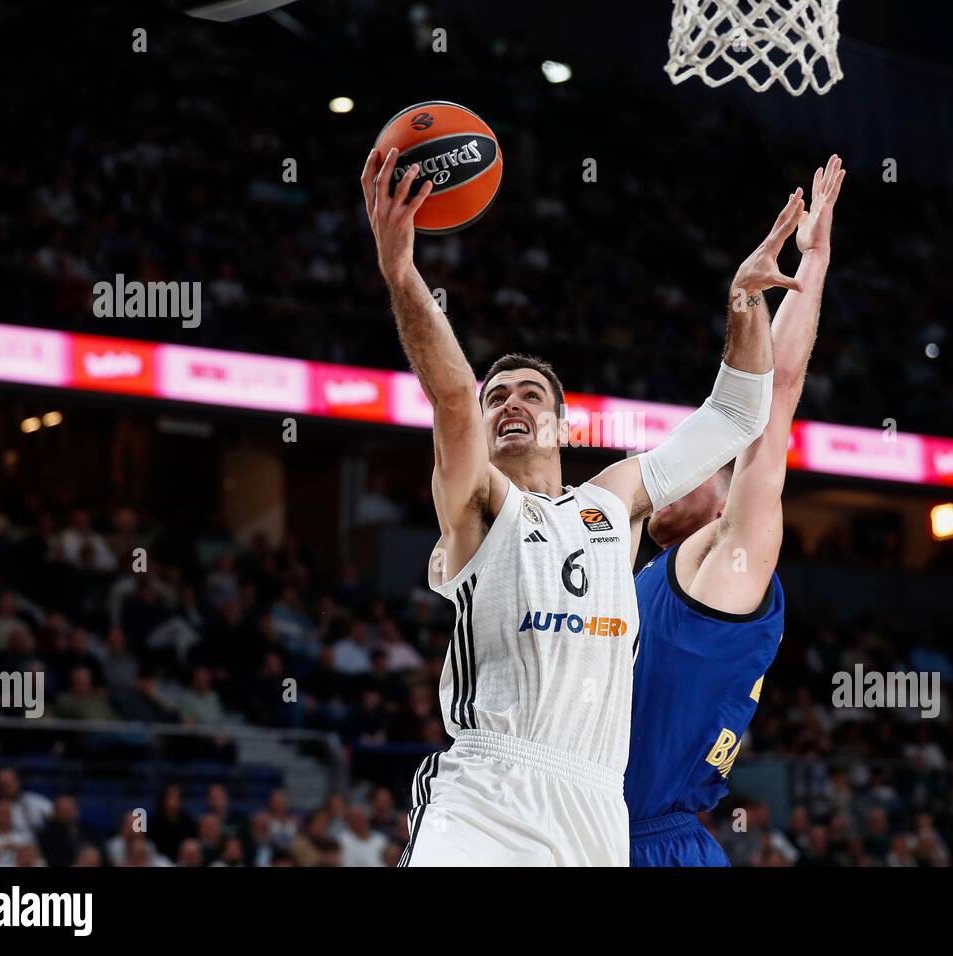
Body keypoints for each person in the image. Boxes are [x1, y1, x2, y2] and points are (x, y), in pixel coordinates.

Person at [360, 146, 805, 866]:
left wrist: (744, 302)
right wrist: (402, 272)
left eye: (530, 393)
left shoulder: (616, 499)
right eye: (497, 396)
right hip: (489, 787)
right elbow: (450, 398)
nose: (510, 404)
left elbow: (735, 413)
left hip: (598, 802)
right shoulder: (478, 504)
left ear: (564, 426)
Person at [625, 156, 844, 866]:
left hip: (651, 842)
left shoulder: (728, 564)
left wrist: (808, 265)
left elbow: (774, 398)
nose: (675, 461)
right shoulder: (642, 578)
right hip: (591, 828)